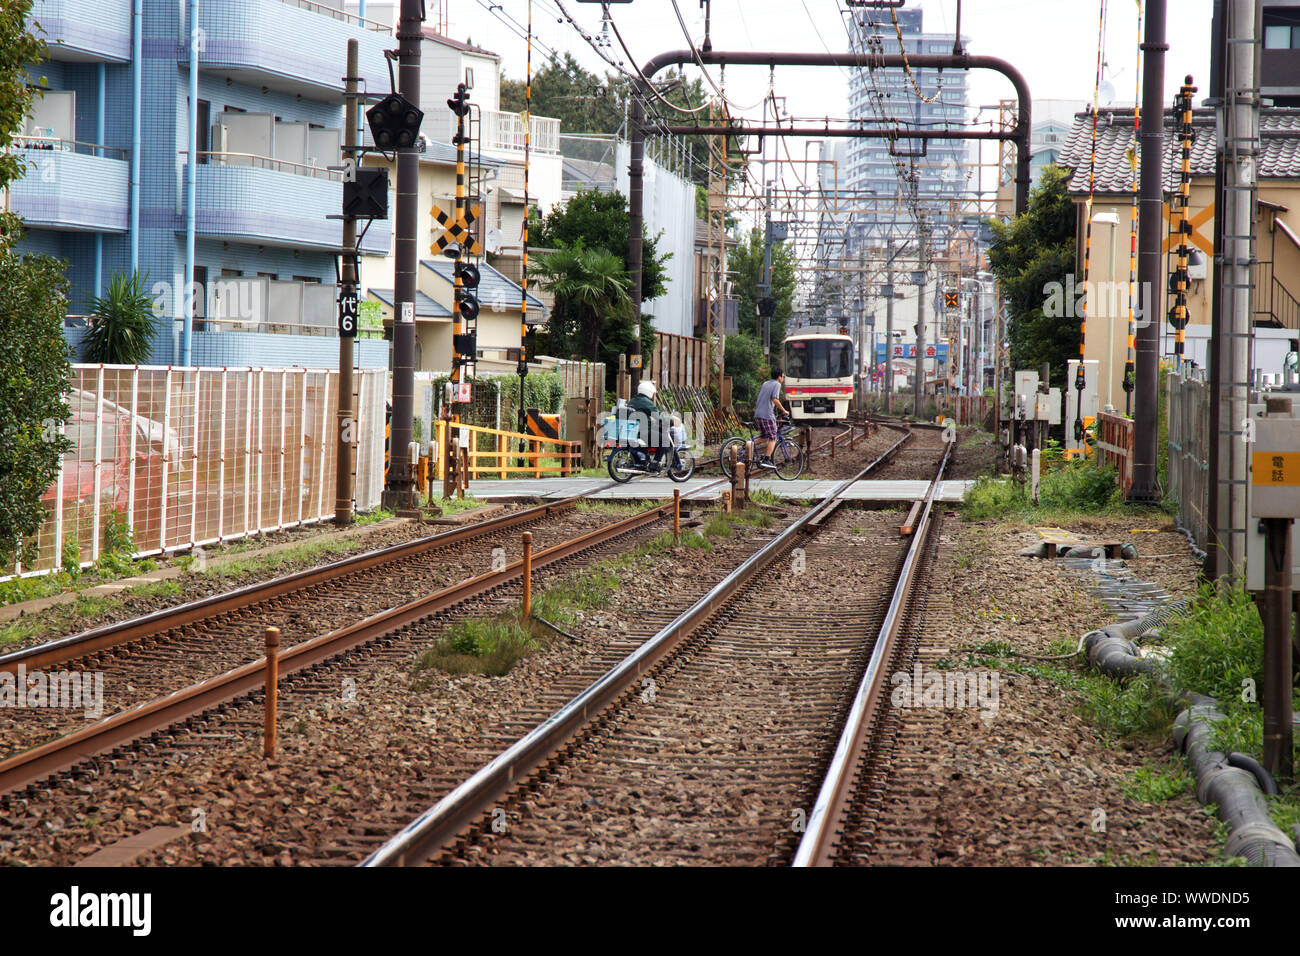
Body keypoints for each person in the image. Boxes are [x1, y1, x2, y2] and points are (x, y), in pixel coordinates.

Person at [627, 379, 672, 471]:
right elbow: (657, 415)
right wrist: (669, 421)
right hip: (643, 431)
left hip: (633, 430)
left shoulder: (633, 400)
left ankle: (646, 461)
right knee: (664, 440)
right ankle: (655, 463)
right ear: (648, 392)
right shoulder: (646, 402)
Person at [754, 367, 790, 468]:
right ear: (779, 377)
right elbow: (775, 399)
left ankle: (744, 447)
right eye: (783, 376)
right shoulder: (777, 384)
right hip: (766, 415)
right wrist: (784, 411)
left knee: (764, 437)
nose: (783, 379)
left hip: (758, 414)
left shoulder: (765, 383)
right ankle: (767, 459)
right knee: (773, 436)